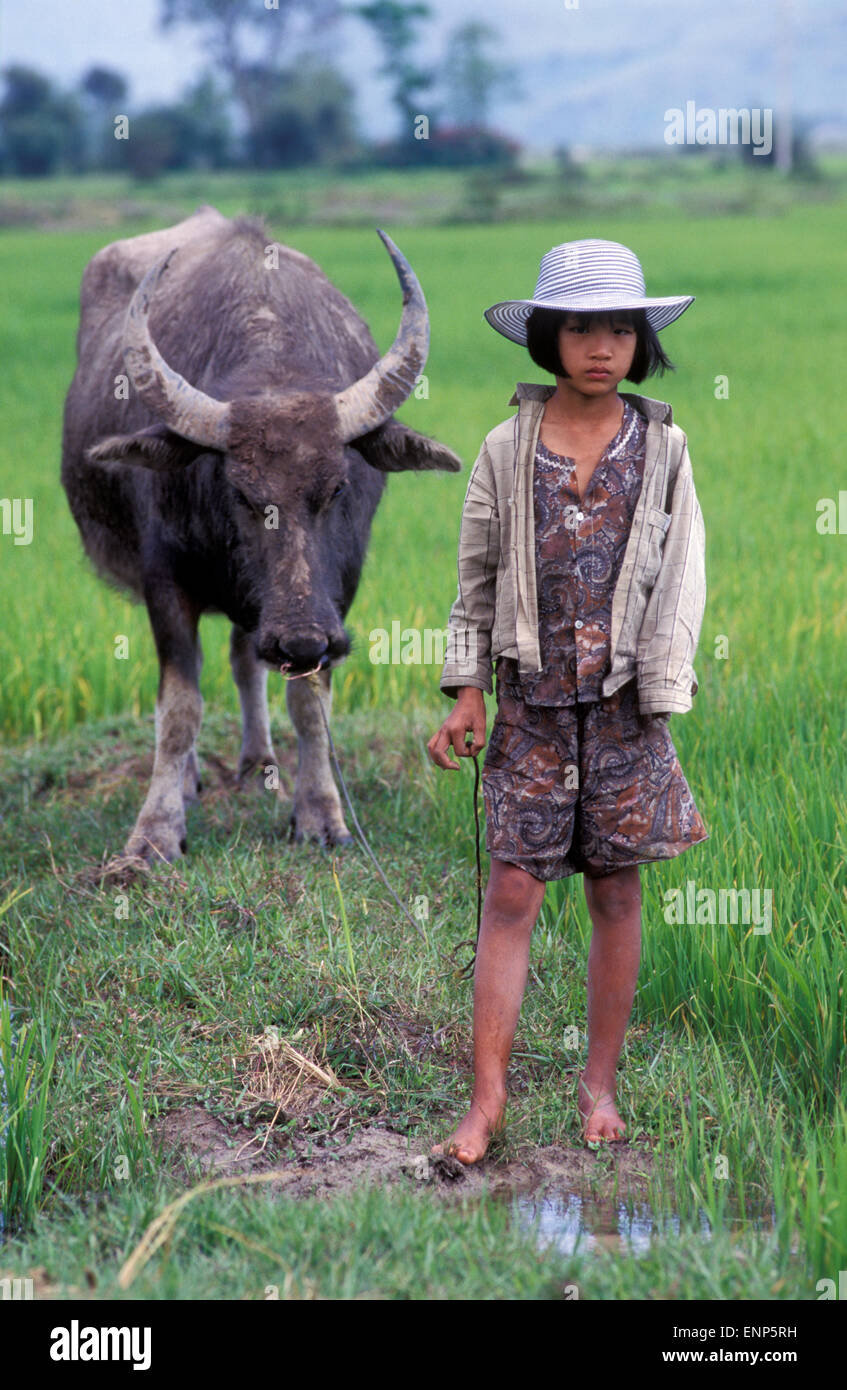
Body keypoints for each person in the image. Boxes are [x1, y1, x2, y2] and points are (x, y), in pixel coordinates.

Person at [427, 238, 709, 1161]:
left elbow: (682, 578)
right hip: (533, 707)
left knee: (616, 893)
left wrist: (665, 686)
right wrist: (465, 690)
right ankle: (486, 1101)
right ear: (548, 338)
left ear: (639, 343)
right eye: (581, 327)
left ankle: (599, 1089)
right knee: (510, 889)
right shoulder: (506, 449)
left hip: (626, 706)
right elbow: (473, 580)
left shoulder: (663, 447)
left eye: (619, 329)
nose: (600, 346)